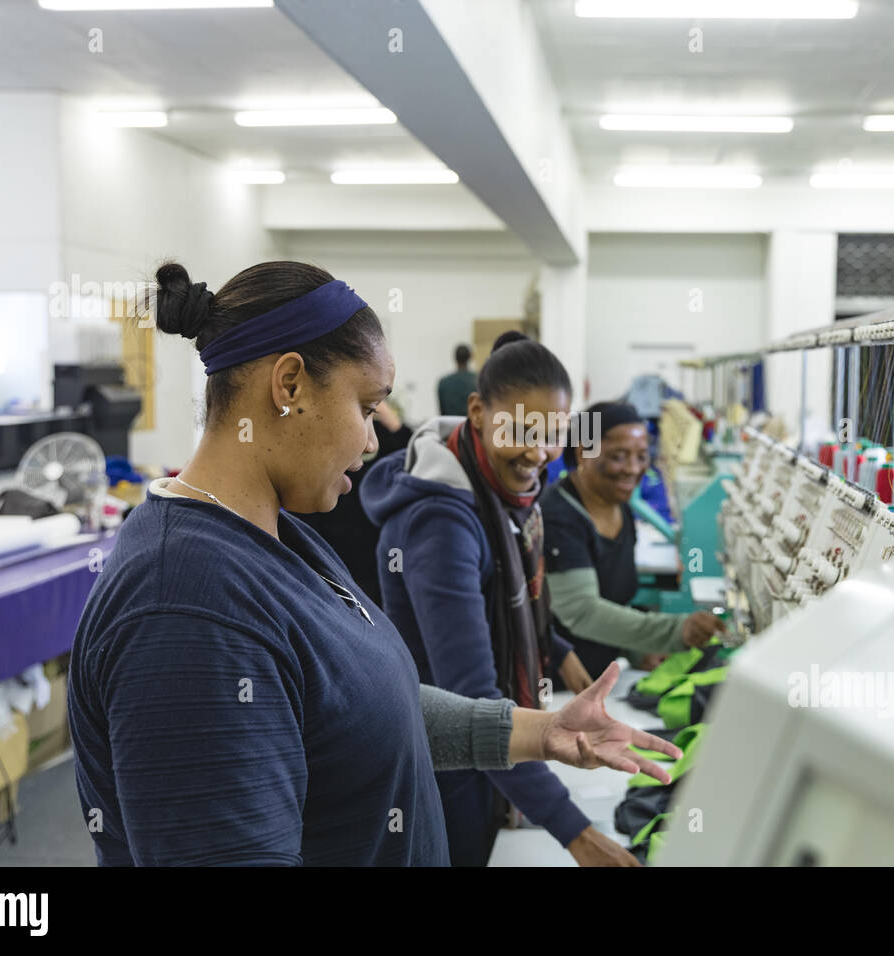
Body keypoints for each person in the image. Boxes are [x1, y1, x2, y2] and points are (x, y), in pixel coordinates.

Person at [67, 261, 680, 866]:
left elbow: (364, 703)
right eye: (366, 407)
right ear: (289, 386)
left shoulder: (281, 540)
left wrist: (538, 733)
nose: (370, 440)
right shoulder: (188, 608)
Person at [362, 333, 641, 866]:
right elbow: (475, 701)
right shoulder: (441, 524)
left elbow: (498, 595)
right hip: (447, 766)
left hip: (483, 754)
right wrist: (576, 833)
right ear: (477, 411)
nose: (538, 453)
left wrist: (554, 648)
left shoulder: (498, 491)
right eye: (521, 430)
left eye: (553, 434)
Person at [542, 401, 726, 679]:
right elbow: (582, 612)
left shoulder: (620, 508)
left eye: (642, 456)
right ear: (583, 452)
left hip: (601, 680)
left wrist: (635, 651)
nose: (633, 468)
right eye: (619, 456)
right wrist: (676, 631)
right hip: (556, 687)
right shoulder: (558, 516)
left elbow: (614, 599)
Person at [294, 399, 411, 607]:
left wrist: (388, 418)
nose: (370, 443)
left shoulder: (379, 429)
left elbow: (405, 455)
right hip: (336, 539)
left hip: (368, 536)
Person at [436, 343, 477, 417]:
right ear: (470, 357)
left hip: (451, 427)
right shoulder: (478, 381)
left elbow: (442, 413)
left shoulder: (443, 383)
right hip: (472, 427)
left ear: (455, 358)